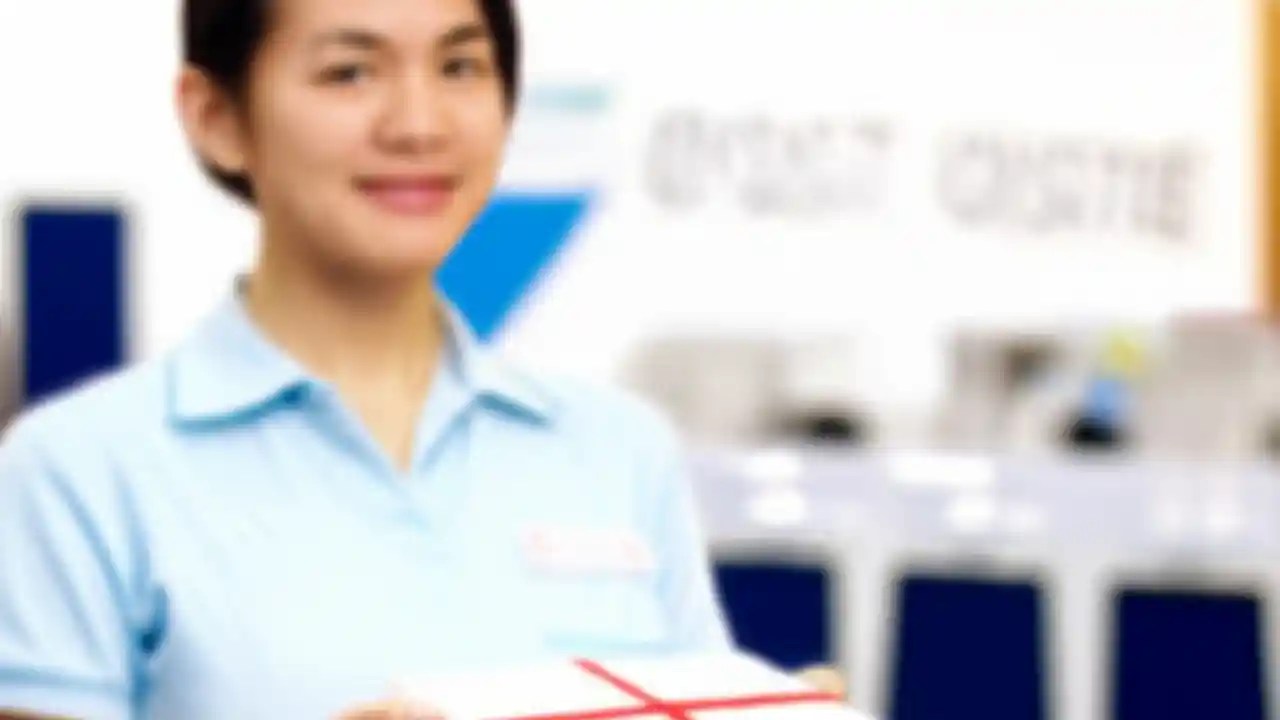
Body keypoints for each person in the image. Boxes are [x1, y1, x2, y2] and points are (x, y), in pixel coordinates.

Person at [0, 0, 733, 717]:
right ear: (215, 116)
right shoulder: (78, 471)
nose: (419, 125)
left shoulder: (620, 450)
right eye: (350, 73)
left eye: (460, 66)